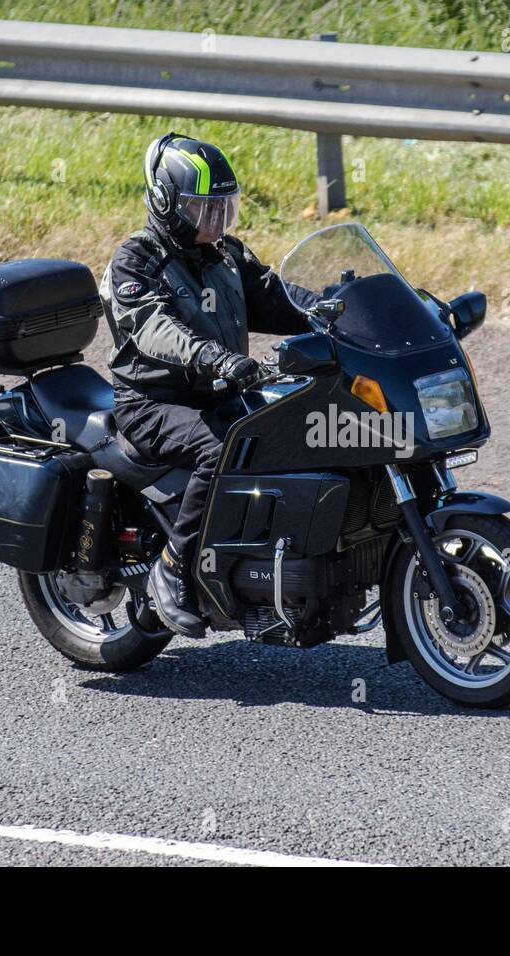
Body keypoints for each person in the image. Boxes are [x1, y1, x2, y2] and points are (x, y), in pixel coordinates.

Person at [101, 132, 311, 640]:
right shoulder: (137, 259)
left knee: (297, 425)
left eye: (223, 208)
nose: (216, 221)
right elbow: (155, 327)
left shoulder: (226, 255)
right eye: (203, 208)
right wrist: (214, 356)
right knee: (223, 449)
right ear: (166, 202)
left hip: (217, 392)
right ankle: (173, 567)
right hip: (152, 402)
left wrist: (339, 307)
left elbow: (278, 296)